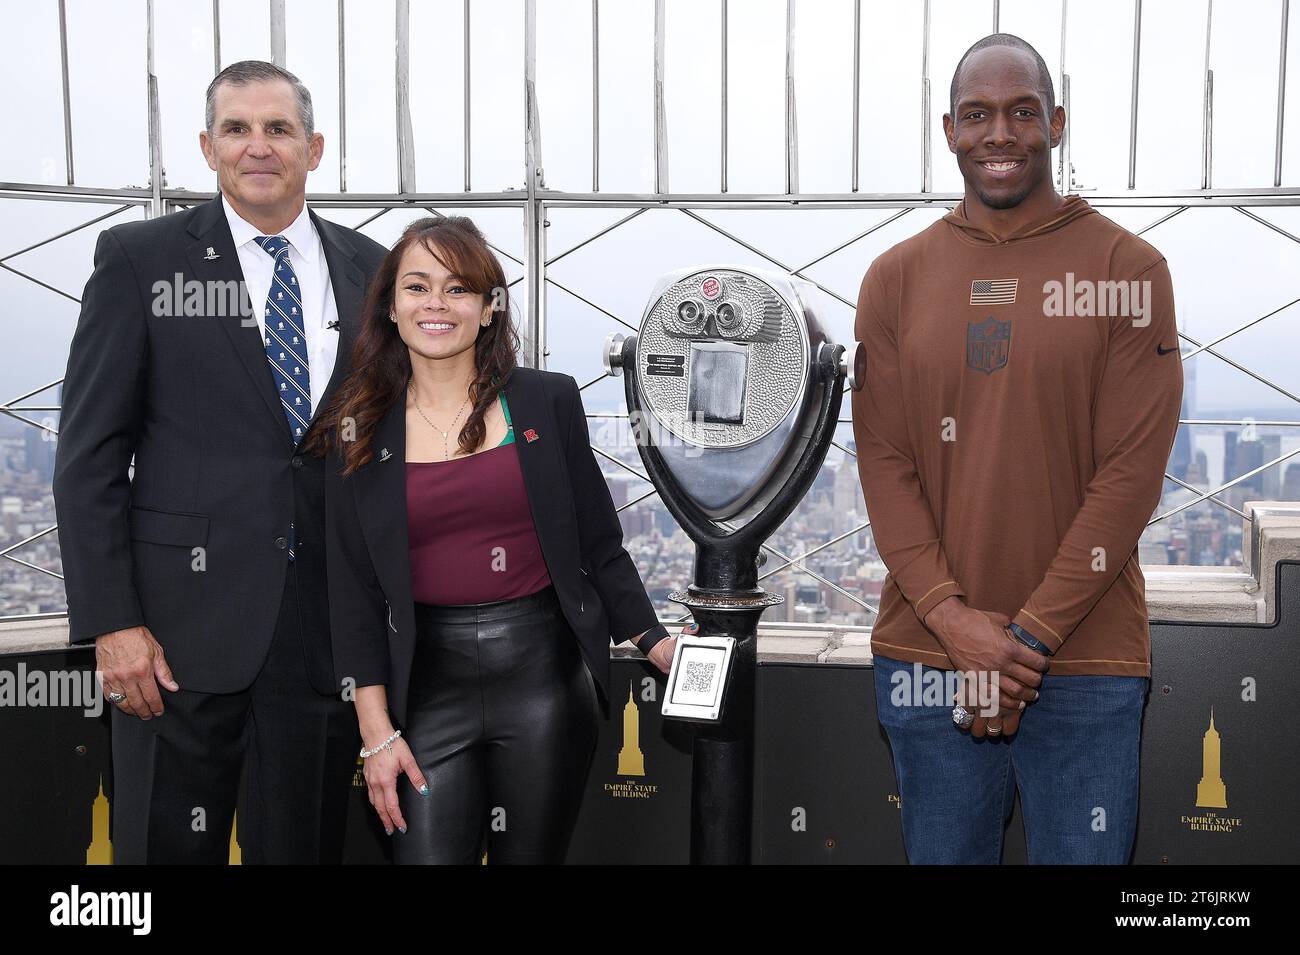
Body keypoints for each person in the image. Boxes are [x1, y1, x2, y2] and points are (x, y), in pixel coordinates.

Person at [852, 34, 1183, 864]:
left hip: (1085, 660)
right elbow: (885, 464)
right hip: (929, 657)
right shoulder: (893, 278)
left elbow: (1130, 477)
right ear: (949, 131)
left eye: (1021, 112)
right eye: (978, 115)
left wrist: (1021, 647)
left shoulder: (1130, 269)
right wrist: (955, 624)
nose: (999, 133)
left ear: (1056, 123)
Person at [53, 60, 388, 863]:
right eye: (237, 129)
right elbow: (89, 455)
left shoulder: (374, 271)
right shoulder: (140, 260)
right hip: (173, 641)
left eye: (279, 129)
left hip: (323, 638)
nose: (258, 147)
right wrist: (113, 621)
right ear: (207, 147)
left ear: (316, 148)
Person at [308, 216, 679, 864]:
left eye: (458, 288)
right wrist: (374, 733)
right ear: (391, 306)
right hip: (420, 687)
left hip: (543, 684)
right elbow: (352, 593)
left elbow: (598, 540)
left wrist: (655, 640)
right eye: (418, 286)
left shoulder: (546, 400)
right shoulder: (357, 427)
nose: (437, 304)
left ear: (487, 308)